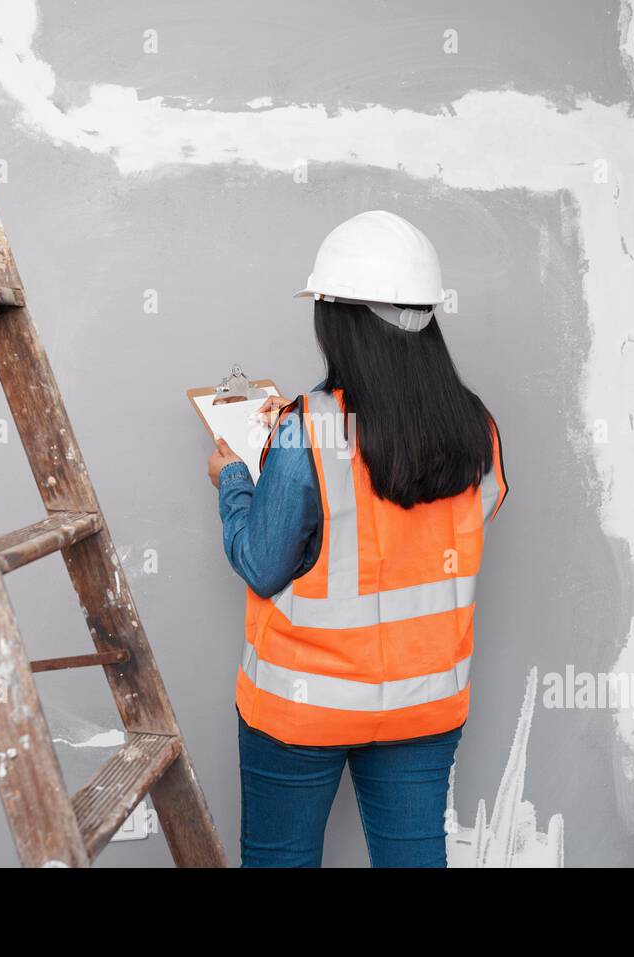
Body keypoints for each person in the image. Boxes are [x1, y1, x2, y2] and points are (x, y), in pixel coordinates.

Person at [206, 210, 507, 867]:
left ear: (337, 319)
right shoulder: (474, 424)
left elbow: (262, 562)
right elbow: (438, 522)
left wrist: (235, 477)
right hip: (423, 703)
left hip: (302, 708)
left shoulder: (307, 429)